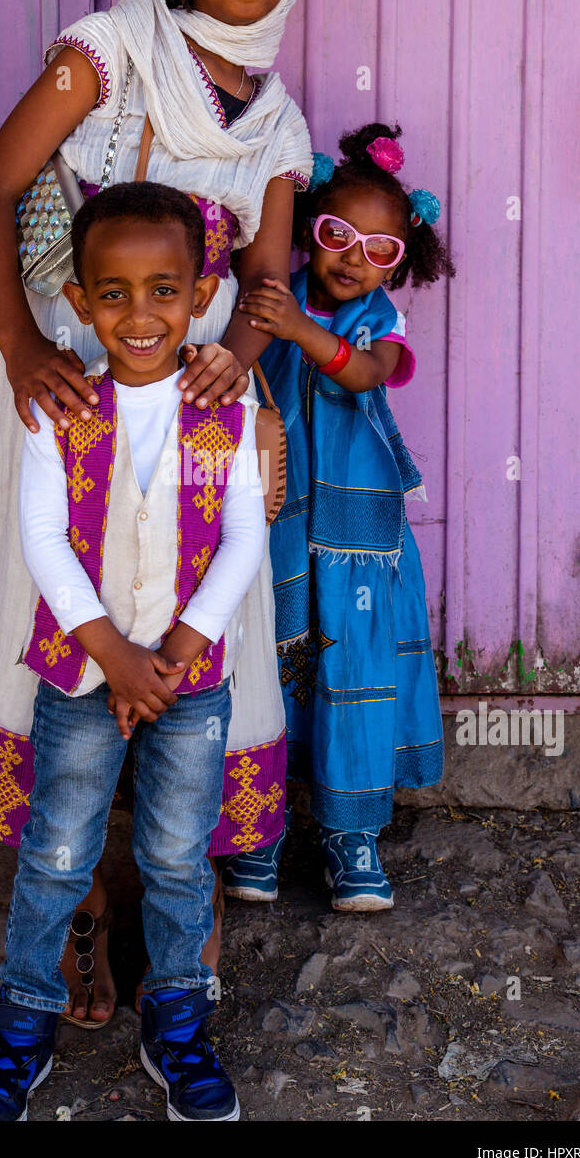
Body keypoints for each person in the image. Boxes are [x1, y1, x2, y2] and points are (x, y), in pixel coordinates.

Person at [0, 0, 312, 1025]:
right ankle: (76, 919)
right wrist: (23, 349)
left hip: (198, 417)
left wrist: (242, 356)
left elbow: (263, 287)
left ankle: (177, 911)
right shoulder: (105, 56)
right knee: (67, 630)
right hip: (70, 401)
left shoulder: (278, 120)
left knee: (192, 638)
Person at [0, 182, 265, 1122]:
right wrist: (115, 658)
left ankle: (176, 1020)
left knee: (177, 856)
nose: (141, 314)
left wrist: (175, 647)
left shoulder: (228, 406)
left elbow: (245, 536)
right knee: (55, 850)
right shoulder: (58, 407)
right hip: (83, 676)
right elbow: (42, 539)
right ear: (82, 303)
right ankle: (24, 1026)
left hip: (188, 683)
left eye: (165, 290)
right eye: (116, 293)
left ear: (201, 294)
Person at [226, 123, 454, 910]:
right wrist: (277, 321)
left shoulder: (379, 325)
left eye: (379, 250)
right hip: (281, 534)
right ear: (309, 225)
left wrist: (300, 329)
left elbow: (362, 375)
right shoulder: (267, 298)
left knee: (351, 677)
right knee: (274, 672)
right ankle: (259, 830)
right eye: (336, 235)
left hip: (358, 544)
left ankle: (350, 838)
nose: (354, 258)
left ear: (402, 261)